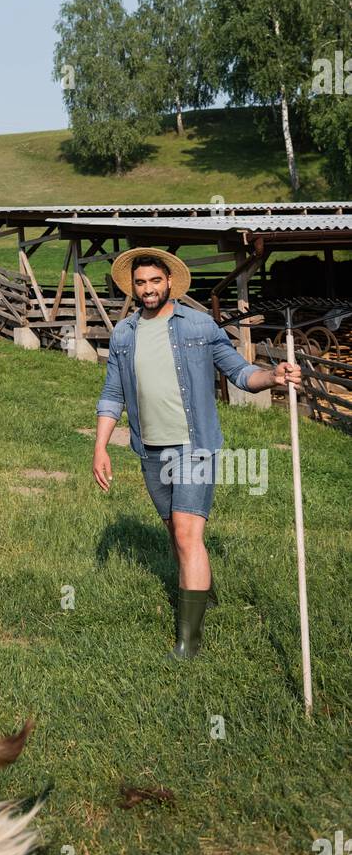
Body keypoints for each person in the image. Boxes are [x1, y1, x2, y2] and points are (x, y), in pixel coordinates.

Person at [92, 249, 300, 660]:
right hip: (150, 449)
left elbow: (241, 373)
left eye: (155, 281)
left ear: (169, 282)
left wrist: (272, 377)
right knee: (175, 533)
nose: (148, 289)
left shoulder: (199, 326)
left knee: (188, 534)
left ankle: (189, 643)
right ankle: (202, 591)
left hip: (194, 446)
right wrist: (100, 446)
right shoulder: (125, 335)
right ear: (132, 287)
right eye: (140, 283)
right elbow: (113, 394)